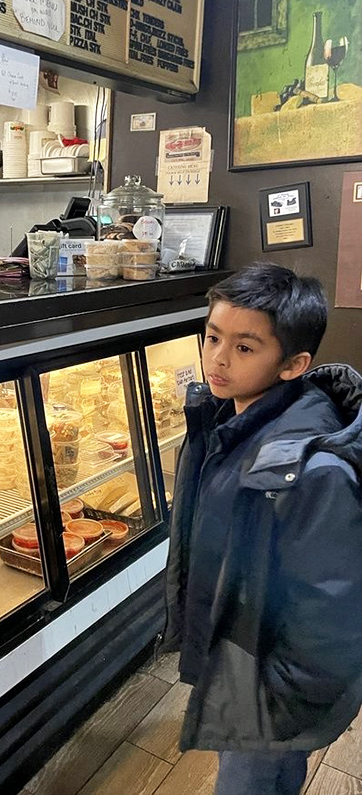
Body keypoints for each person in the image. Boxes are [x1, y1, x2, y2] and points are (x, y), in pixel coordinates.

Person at [162, 262, 362, 795]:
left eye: (244, 348)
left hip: (265, 690)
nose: (217, 359)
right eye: (211, 337)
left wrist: (275, 706)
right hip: (237, 655)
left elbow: (331, 610)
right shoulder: (229, 419)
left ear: (294, 364)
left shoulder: (311, 470)